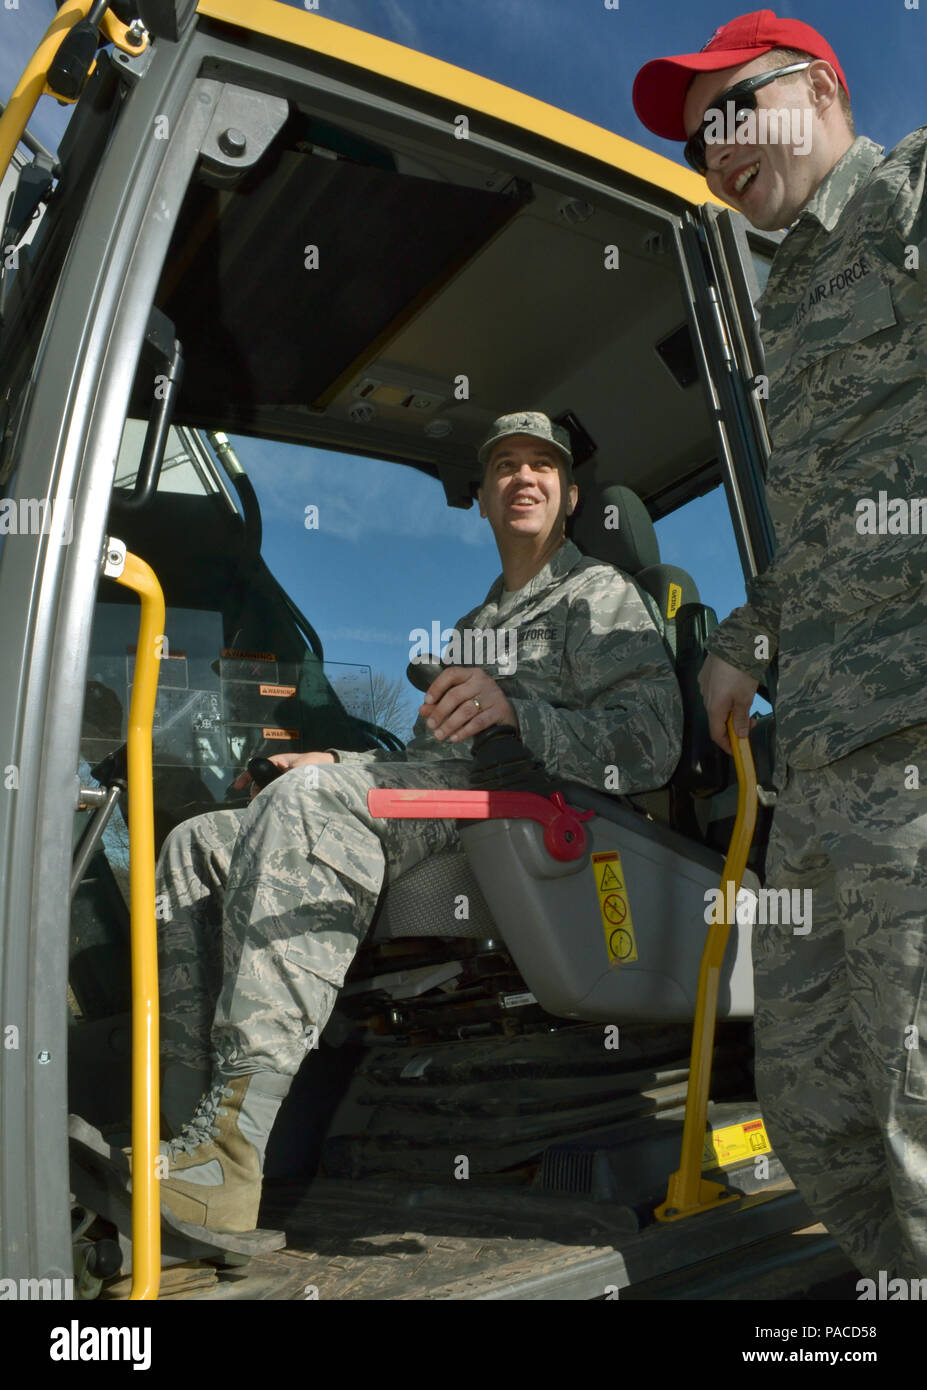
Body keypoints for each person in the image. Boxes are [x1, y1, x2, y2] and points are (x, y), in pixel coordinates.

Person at [150, 410, 683, 1232]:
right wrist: (337, 765)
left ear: (570, 497)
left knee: (307, 808)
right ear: (483, 497)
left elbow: (650, 746)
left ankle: (233, 1149)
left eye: (542, 465)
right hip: (451, 798)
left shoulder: (597, 596)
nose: (523, 477)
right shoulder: (474, 627)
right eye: (504, 464)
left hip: (540, 814)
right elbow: (425, 757)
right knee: (198, 844)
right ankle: (185, 1135)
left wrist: (521, 712)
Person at [634, 11, 927, 1280]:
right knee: (813, 1104)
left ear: (816, 87)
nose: (717, 149)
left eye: (734, 111)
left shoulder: (910, 198)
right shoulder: (790, 305)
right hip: (820, 772)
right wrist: (741, 641)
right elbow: (813, 526)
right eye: (700, 142)